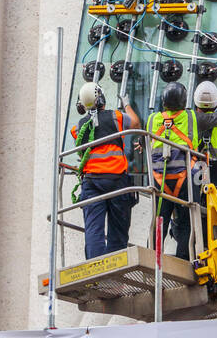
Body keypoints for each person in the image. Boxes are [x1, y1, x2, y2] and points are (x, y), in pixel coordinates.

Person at [71, 82, 140, 260]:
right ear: (100, 97)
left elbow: (81, 151)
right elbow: (135, 122)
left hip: (92, 182)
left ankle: (96, 270)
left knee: (94, 229)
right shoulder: (116, 117)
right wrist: (126, 104)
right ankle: (115, 274)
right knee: (118, 229)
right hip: (117, 181)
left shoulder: (79, 126)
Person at [146, 82, 202, 260]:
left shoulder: (153, 119)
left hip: (159, 180)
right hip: (183, 179)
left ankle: (151, 262)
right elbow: (216, 119)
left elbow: (145, 142)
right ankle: (183, 262)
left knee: (158, 222)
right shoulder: (191, 117)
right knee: (185, 223)